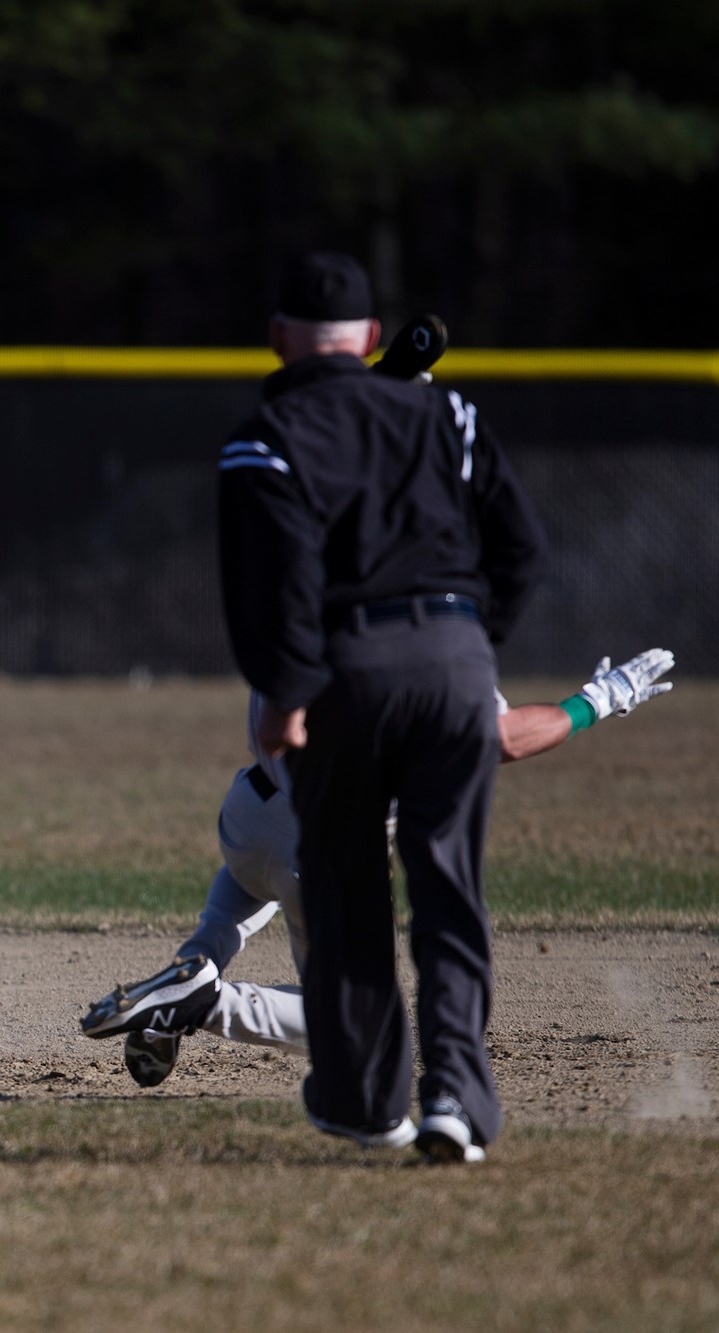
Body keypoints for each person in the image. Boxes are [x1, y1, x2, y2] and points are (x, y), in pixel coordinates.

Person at [214, 251, 548, 1164]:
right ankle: (457, 1099)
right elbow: (520, 544)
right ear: (368, 337)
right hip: (453, 659)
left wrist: (284, 694)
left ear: (279, 337)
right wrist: (474, 645)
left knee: (348, 891)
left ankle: (368, 1099)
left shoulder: (266, 435)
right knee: (449, 888)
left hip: (342, 676)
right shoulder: (448, 411)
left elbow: (265, 589)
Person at [81, 650, 676, 1088]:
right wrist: (599, 698)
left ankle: (189, 974)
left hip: (246, 814)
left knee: (247, 882)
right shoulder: (441, 640)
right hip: (321, 850)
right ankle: (201, 1004)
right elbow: (506, 739)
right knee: (354, 1032)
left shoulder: (309, 588)